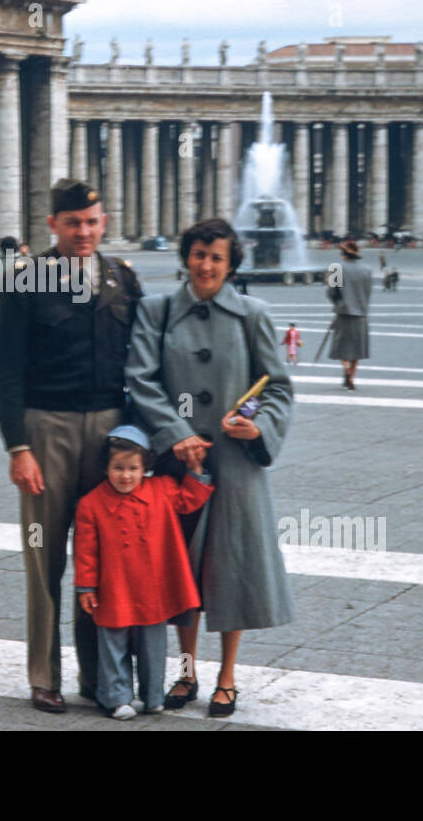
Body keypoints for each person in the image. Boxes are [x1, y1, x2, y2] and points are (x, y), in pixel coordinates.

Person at [126, 218, 294, 717]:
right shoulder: (155, 311)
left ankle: (227, 676)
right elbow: (140, 379)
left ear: (230, 264)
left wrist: (258, 426)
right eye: (199, 254)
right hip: (179, 465)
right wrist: (175, 434)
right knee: (182, 569)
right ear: (187, 256)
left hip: (236, 465)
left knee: (232, 568)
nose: (206, 265)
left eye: (216, 257)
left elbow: (277, 387)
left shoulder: (253, 315)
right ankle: (186, 670)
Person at [0, 179, 142, 713]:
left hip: (107, 433)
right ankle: (43, 674)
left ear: (104, 223)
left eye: (93, 221)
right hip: (46, 429)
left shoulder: (122, 279)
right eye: (73, 222)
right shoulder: (22, 282)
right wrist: (18, 447)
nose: (84, 232)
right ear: (52, 224)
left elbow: (140, 364)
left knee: (101, 560)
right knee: (44, 557)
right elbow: (5, 371)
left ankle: (98, 676)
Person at [74, 426, 213, 719]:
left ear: (145, 468)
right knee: (112, 645)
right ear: (106, 468)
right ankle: (116, 697)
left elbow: (190, 500)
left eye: (133, 468)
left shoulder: (161, 489)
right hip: (113, 588)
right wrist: (86, 587)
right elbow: (85, 551)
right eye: (118, 468)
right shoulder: (91, 503)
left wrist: (196, 468)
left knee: (154, 645)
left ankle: (152, 696)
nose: (125, 475)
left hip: (154, 589)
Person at [329, 239, 373, 390]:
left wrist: (338, 303)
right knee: (357, 348)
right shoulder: (367, 270)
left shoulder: (336, 268)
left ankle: (346, 370)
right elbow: (368, 292)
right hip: (361, 313)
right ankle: (352, 375)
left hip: (343, 313)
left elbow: (331, 292)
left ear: (343, 254)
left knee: (342, 346)